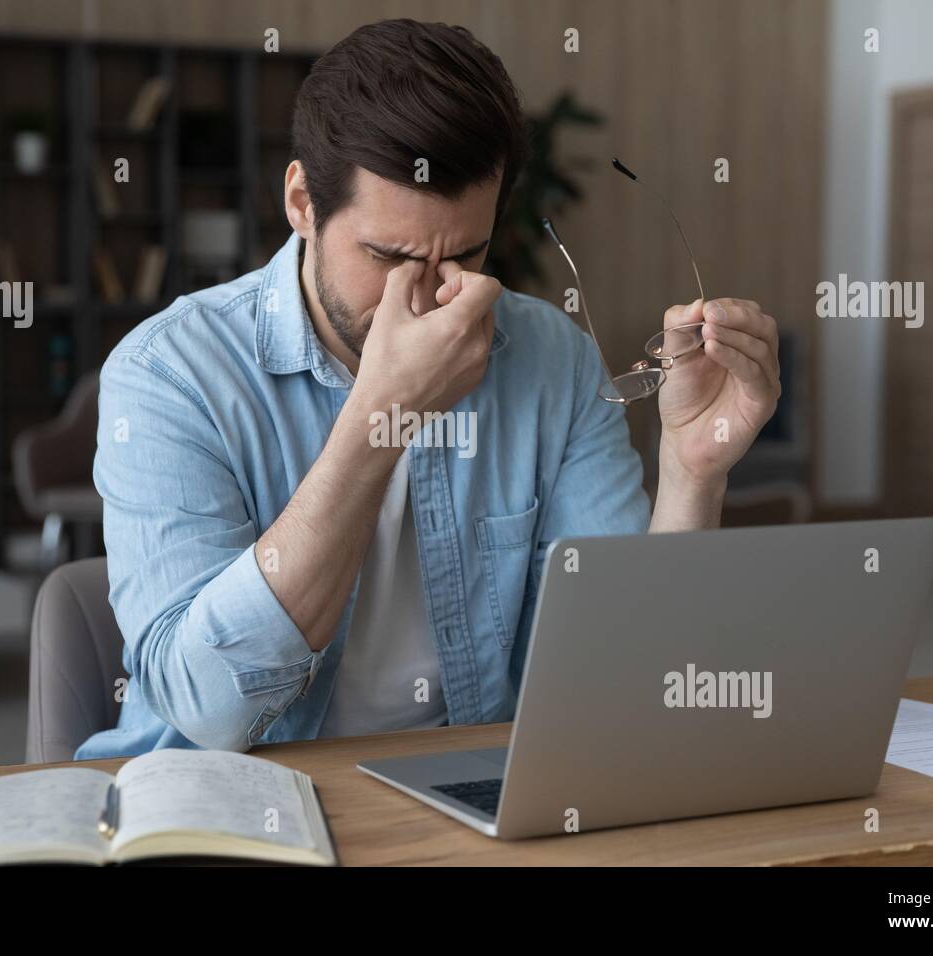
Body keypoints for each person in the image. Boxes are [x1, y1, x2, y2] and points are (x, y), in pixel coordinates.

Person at [75, 18, 780, 759]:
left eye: (466, 253)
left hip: (464, 790)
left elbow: (632, 677)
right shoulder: (169, 373)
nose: (433, 295)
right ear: (302, 203)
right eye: (389, 255)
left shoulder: (552, 361)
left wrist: (691, 473)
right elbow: (208, 712)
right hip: (233, 804)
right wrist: (383, 414)